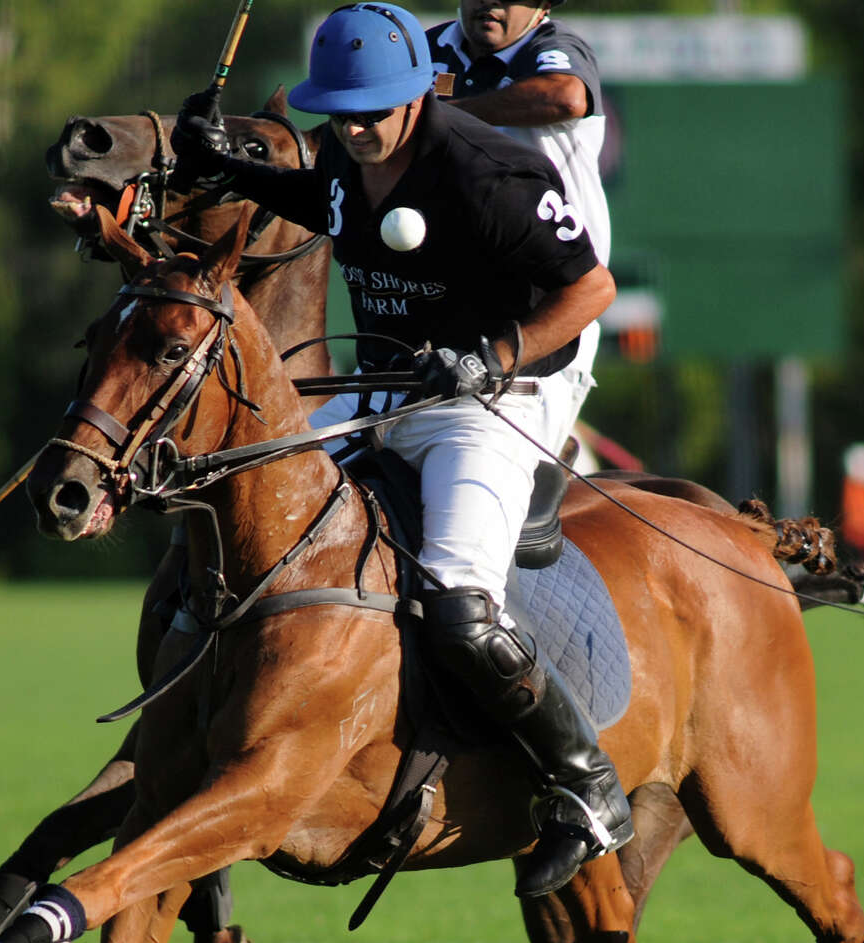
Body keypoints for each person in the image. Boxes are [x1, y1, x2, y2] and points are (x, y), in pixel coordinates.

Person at [173, 2, 630, 897]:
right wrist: (219, 160)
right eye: (338, 112)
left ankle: (587, 782)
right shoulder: (352, 146)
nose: (352, 128)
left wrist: (491, 354)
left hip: (488, 405)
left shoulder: (489, 171)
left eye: (370, 112)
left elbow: (592, 289)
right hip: (386, 394)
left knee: (459, 602)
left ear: (419, 97)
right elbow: (318, 198)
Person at [428, 1, 612, 451]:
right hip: (439, 304)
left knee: (505, 469)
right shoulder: (425, 48)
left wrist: (449, 114)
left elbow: (565, 96)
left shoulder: (554, 47)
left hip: (548, 310)